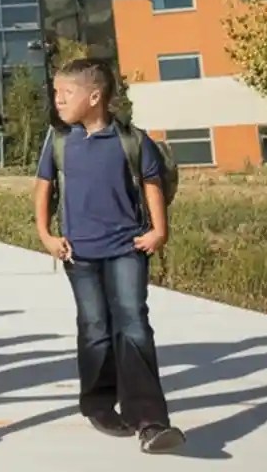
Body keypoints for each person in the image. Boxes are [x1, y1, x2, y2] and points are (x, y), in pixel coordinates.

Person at [34, 58, 186, 454]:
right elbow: (43, 187)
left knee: (133, 325)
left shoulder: (132, 140)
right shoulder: (59, 140)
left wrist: (159, 230)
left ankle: (151, 420)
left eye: (66, 93)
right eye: (56, 93)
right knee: (94, 327)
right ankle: (99, 404)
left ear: (95, 96)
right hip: (78, 254)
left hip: (126, 248)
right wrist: (45, 234)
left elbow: (151, 183)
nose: (58, 100)